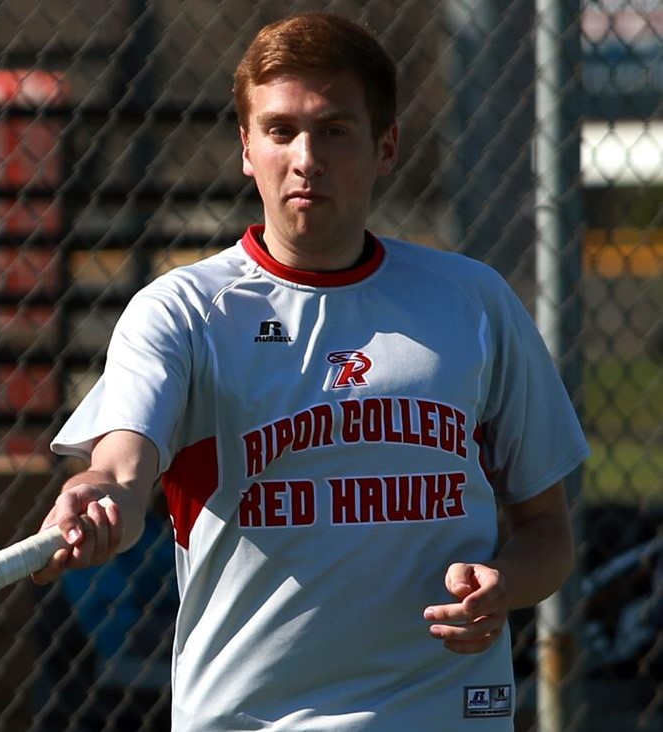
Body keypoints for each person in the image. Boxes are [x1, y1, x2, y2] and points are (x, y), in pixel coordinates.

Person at [32, 12, 589, 731]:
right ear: (245, 148)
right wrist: (95, 494)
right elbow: (120, 467)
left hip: (442, 714)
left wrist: (505, 583)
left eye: (333, 129)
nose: (305, 157)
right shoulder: (182, 312)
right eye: (279, 130)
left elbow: (547, 534)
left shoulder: (474, 301)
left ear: (384, 146)